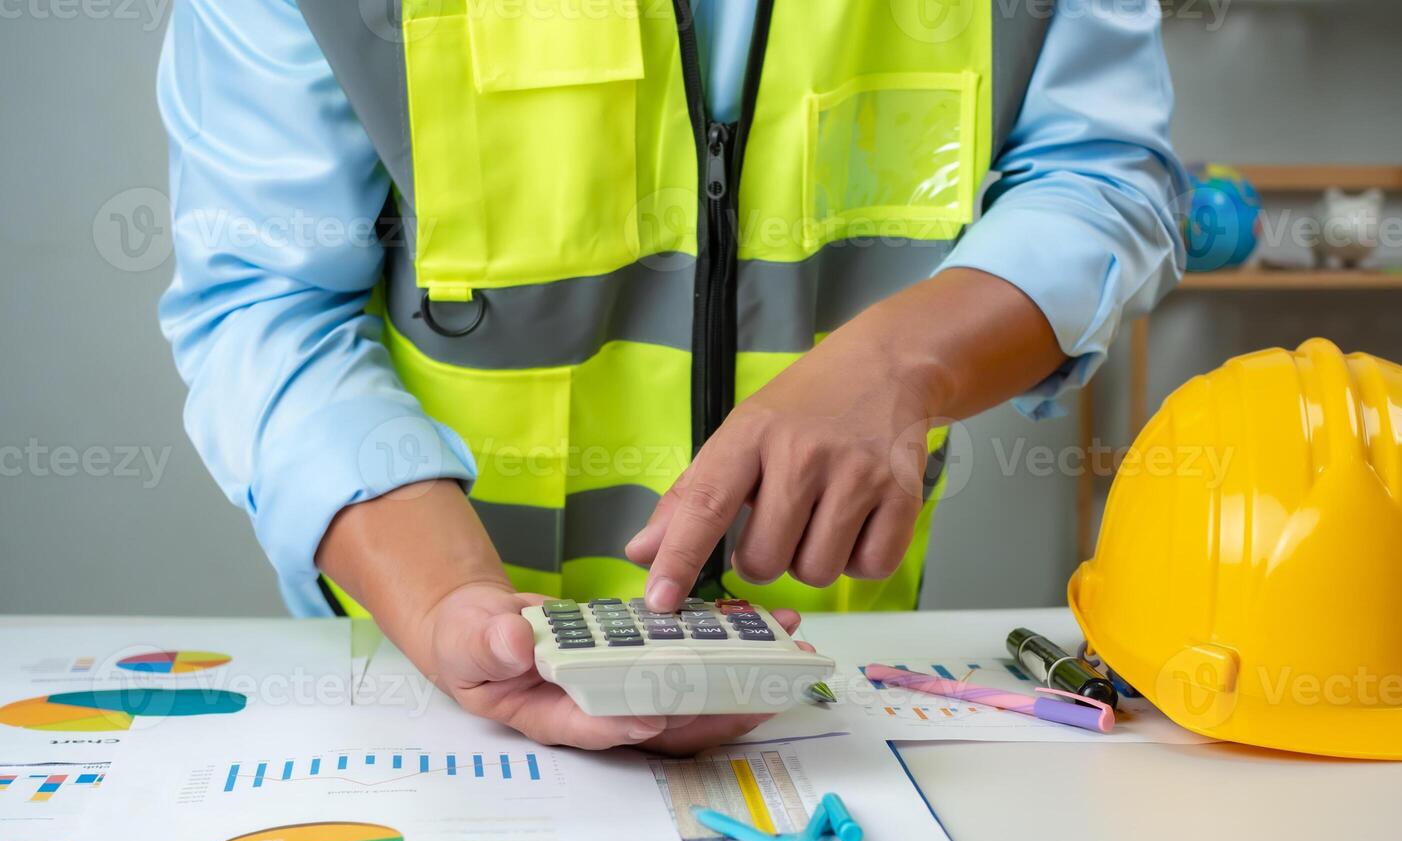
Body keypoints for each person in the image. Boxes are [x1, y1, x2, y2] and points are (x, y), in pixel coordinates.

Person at [157, 0, 1183, 751]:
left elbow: (1102, 175)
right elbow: (265, 302)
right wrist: (445, 601)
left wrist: (899, 362)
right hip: (434, 691)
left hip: (836, 708)